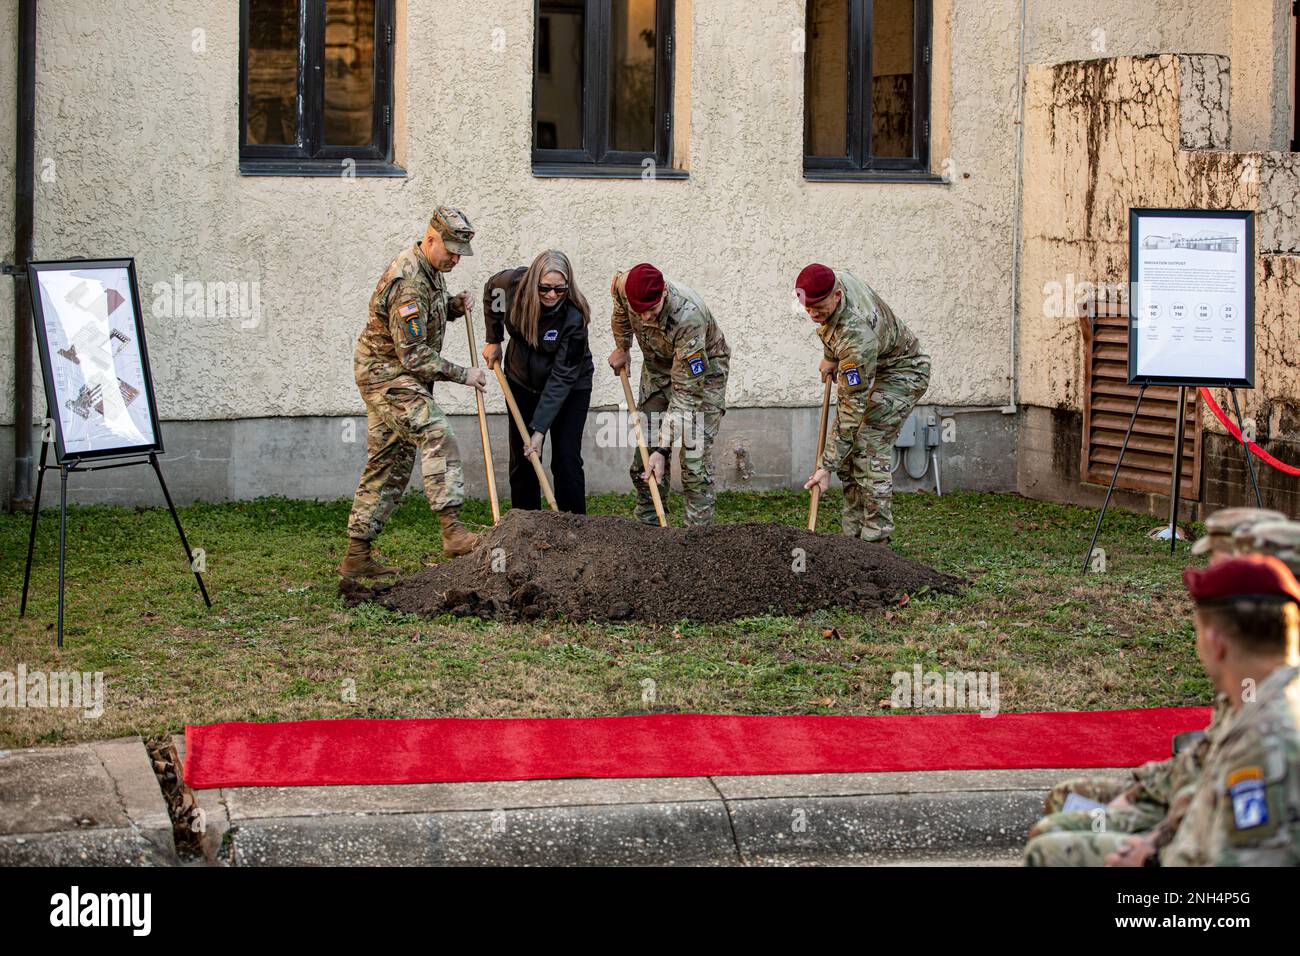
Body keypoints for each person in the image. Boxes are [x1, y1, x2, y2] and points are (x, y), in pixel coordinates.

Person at [1026, 554, 1300, 866]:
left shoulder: (1265, 739)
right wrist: (1153, 843)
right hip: (1178, 840)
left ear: (1216, 642)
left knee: (1046, 853)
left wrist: (1148, 860)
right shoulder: (1258, 700)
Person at [338, 206, 488, 578]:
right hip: (385, 373)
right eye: (451, 250)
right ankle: (452, 531)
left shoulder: (430, 270)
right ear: (430, 237)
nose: (455, 258)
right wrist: (463, 374)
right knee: (436, 431)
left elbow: (424, 319)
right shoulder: (408, 279)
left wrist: (452, 306)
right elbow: (413, 353)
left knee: (389, 462)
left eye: (460, 253)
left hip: (399, 373)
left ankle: (356, 557)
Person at [797, 264, 930, 543]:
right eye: (806, 307)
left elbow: (851, 410)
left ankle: (875, 540)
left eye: (818, 307)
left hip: (903, 372)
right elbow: (830, 326)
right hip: (876, 360)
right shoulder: (834, 281)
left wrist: (825, 466)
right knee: (850, 454)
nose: (812, 314)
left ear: (837, 294)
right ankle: (851, 538)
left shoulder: (855, 339)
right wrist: (830, 355)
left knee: (868, 447)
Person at [608, 263, 729, 526]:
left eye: (652, 309)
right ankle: (649, 526)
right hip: (657, 370)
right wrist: (623, 346)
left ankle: (696, 537)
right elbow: (620, 309)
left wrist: (663, 448)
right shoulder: (623, 286)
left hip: (702, 379)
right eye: (639, 312)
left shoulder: (688, 316)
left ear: (663, 293)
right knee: (644, 455)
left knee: (694, 460)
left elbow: (686, 394)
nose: (646, 318)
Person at [482, 250, 594, 513]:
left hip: (569, 388)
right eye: (544, 288)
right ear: (533, 282)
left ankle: (574, 527)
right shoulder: (511, 286)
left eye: (559, 289)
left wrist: (540, 430)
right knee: (524, 458)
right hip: (521, 381)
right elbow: (491, 292)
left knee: (566, 459)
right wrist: (493, 338)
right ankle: (525, 526)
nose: (551, 295)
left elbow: (562, 377)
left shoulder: (574, 318)